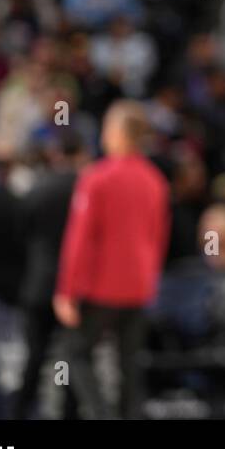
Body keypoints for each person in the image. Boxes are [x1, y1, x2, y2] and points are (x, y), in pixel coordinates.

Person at [54, 101, 170, 419]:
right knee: (129, 364)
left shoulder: (97, 178)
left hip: (101, 287)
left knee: (75, 354)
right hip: (139, 288)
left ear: (118, 133)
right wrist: (150, 280)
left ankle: (101, 413)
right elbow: (158, 237)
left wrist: (66, 290)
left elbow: (78, 240)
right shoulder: (155, 180)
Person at [13, 131, 89, 419]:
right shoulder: (86, 189)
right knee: (72, 358)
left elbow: (20, 231)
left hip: (39, 285)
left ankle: (19, 412)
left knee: (34, 358)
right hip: (73, 289)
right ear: (81, 153)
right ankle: (70, 414)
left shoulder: (39, 189)